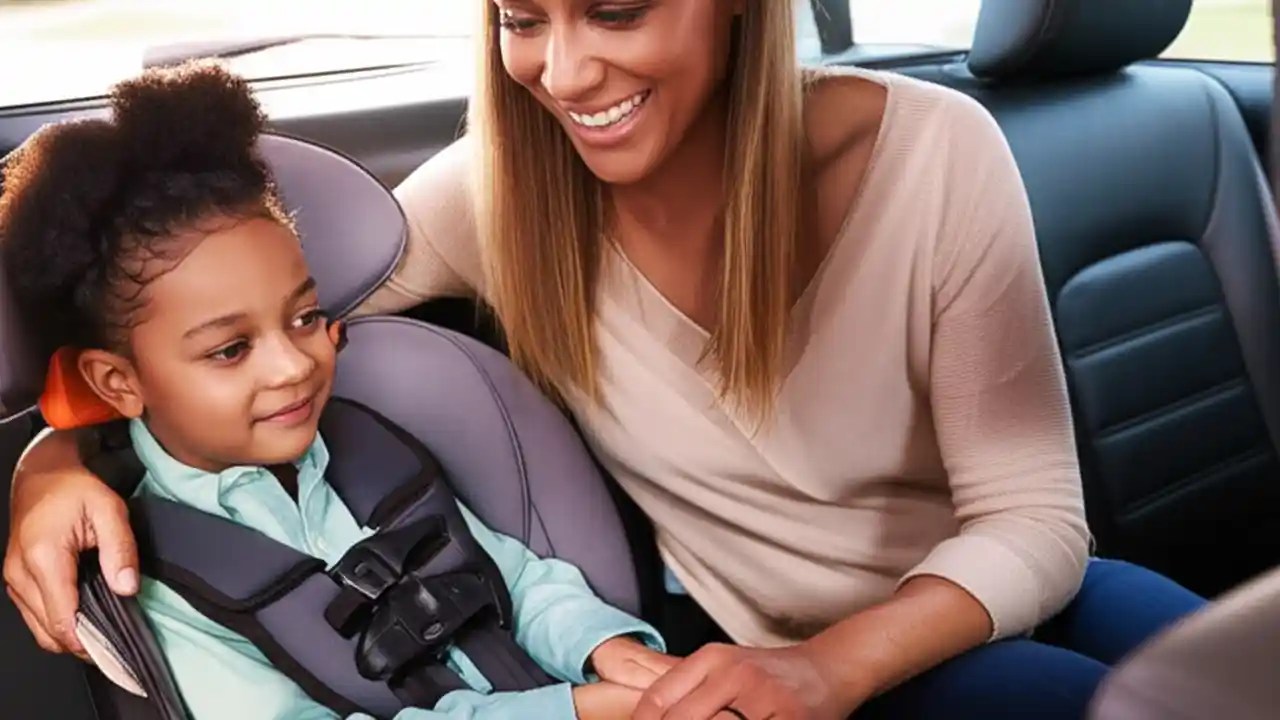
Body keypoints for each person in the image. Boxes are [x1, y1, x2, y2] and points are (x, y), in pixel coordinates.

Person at [5, 3, 1207, 719]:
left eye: (615, 9)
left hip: (955, 599)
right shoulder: (501, 195)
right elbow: (210, 338)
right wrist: (57, 454)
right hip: (755, 642)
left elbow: (1037, 524)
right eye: (523, 19)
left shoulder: (936, 153)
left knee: (1228, 669)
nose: (563, 76)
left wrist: (826, 671)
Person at [0, 61, 680, 720]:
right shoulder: (157, 579)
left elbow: (517, 580)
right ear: (117, 382)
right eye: (231, 349)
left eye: (304, 318)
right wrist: (571, 712)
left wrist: (605, 648)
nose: (293, 365)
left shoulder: (367, 449)